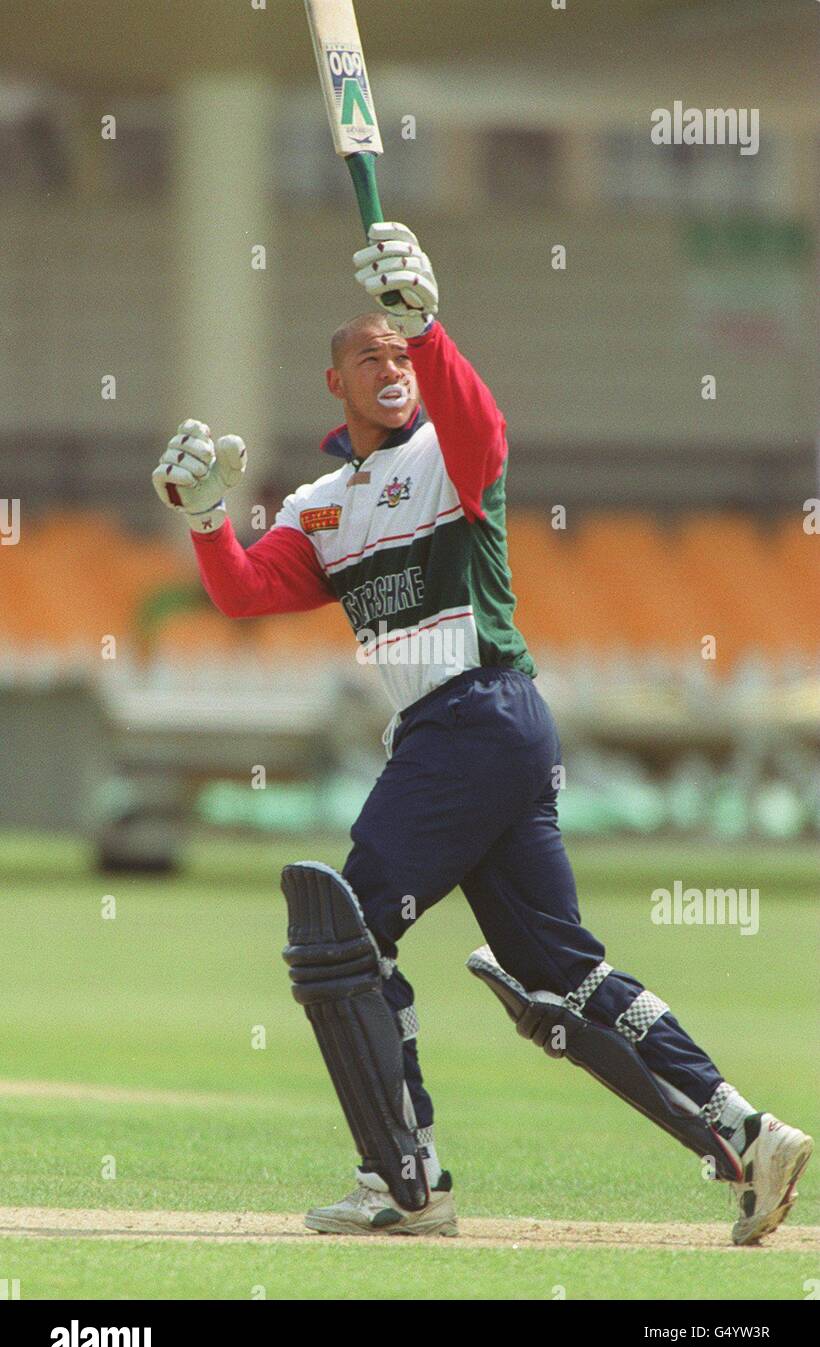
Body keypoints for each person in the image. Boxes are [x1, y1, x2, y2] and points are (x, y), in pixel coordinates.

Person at [152, 221, 812, 1245]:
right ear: (333, 383)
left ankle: (401, 1177)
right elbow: (243, 592)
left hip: (473, 714)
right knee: (563, 973)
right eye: (367, 353)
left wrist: (431, 325)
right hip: (486, 731)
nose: (390, 365)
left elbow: (486, 429)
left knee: (347, 934)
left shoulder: (444, 453)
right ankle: (746, 1133)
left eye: (398, 352)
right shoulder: (321, 507)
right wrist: (204, 521)